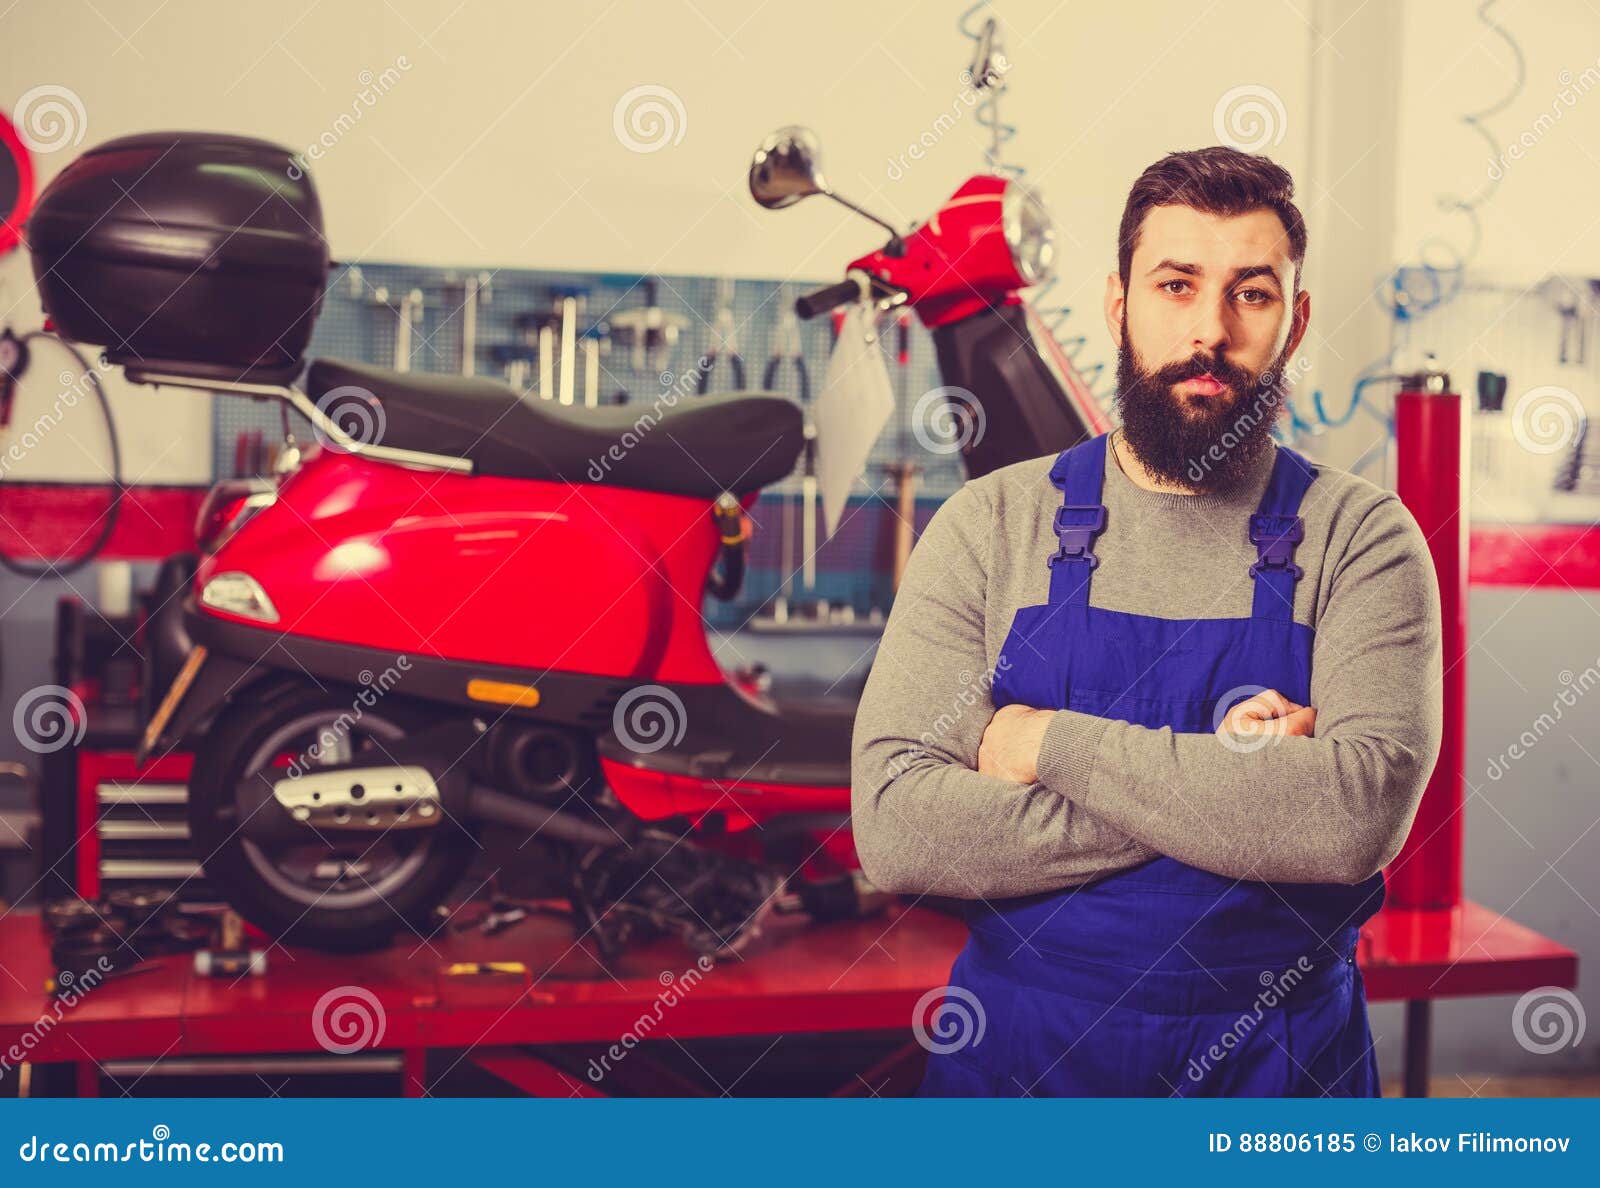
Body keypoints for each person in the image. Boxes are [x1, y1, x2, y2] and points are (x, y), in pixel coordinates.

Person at [850, 145, 1443, 1097]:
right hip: (1026, 1062)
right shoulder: (992, 526)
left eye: (1252, 293)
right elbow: (898, 831)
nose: (1209, 329)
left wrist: (1048, 744)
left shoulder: (1361, 538)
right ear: (1120, 306)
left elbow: (1350, 819)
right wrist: (1235, 787)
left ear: (1294, 323)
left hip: (1279, 1067)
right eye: (1176, 285)